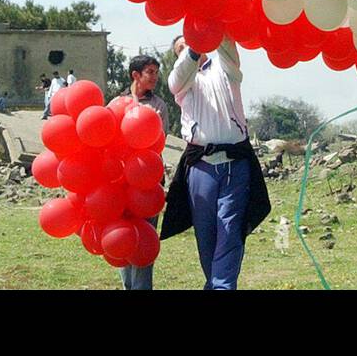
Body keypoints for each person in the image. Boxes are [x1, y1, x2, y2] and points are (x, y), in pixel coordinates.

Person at [161, 34, 271, 290]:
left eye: (190, 42)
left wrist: (213, 28)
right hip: (201, 166)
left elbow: (229, 52)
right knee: (206, 231)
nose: (188, 47)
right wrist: (193, 46)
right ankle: (214, 283)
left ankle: (222, 286)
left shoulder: (224, 70)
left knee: (230, 227)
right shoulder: (182, 82)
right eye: (181, 47)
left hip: (235, 164)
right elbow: (176, 79)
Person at [111, 53, 171, 291]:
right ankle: (129, 286)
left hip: (148, 182)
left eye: (157, 72)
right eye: (151, 72)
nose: (156, 77)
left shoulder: (159, 106)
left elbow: (160, 141)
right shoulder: (116, 104)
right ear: (136, 75)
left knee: (145, 238)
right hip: (121, 183)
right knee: (123, 237)